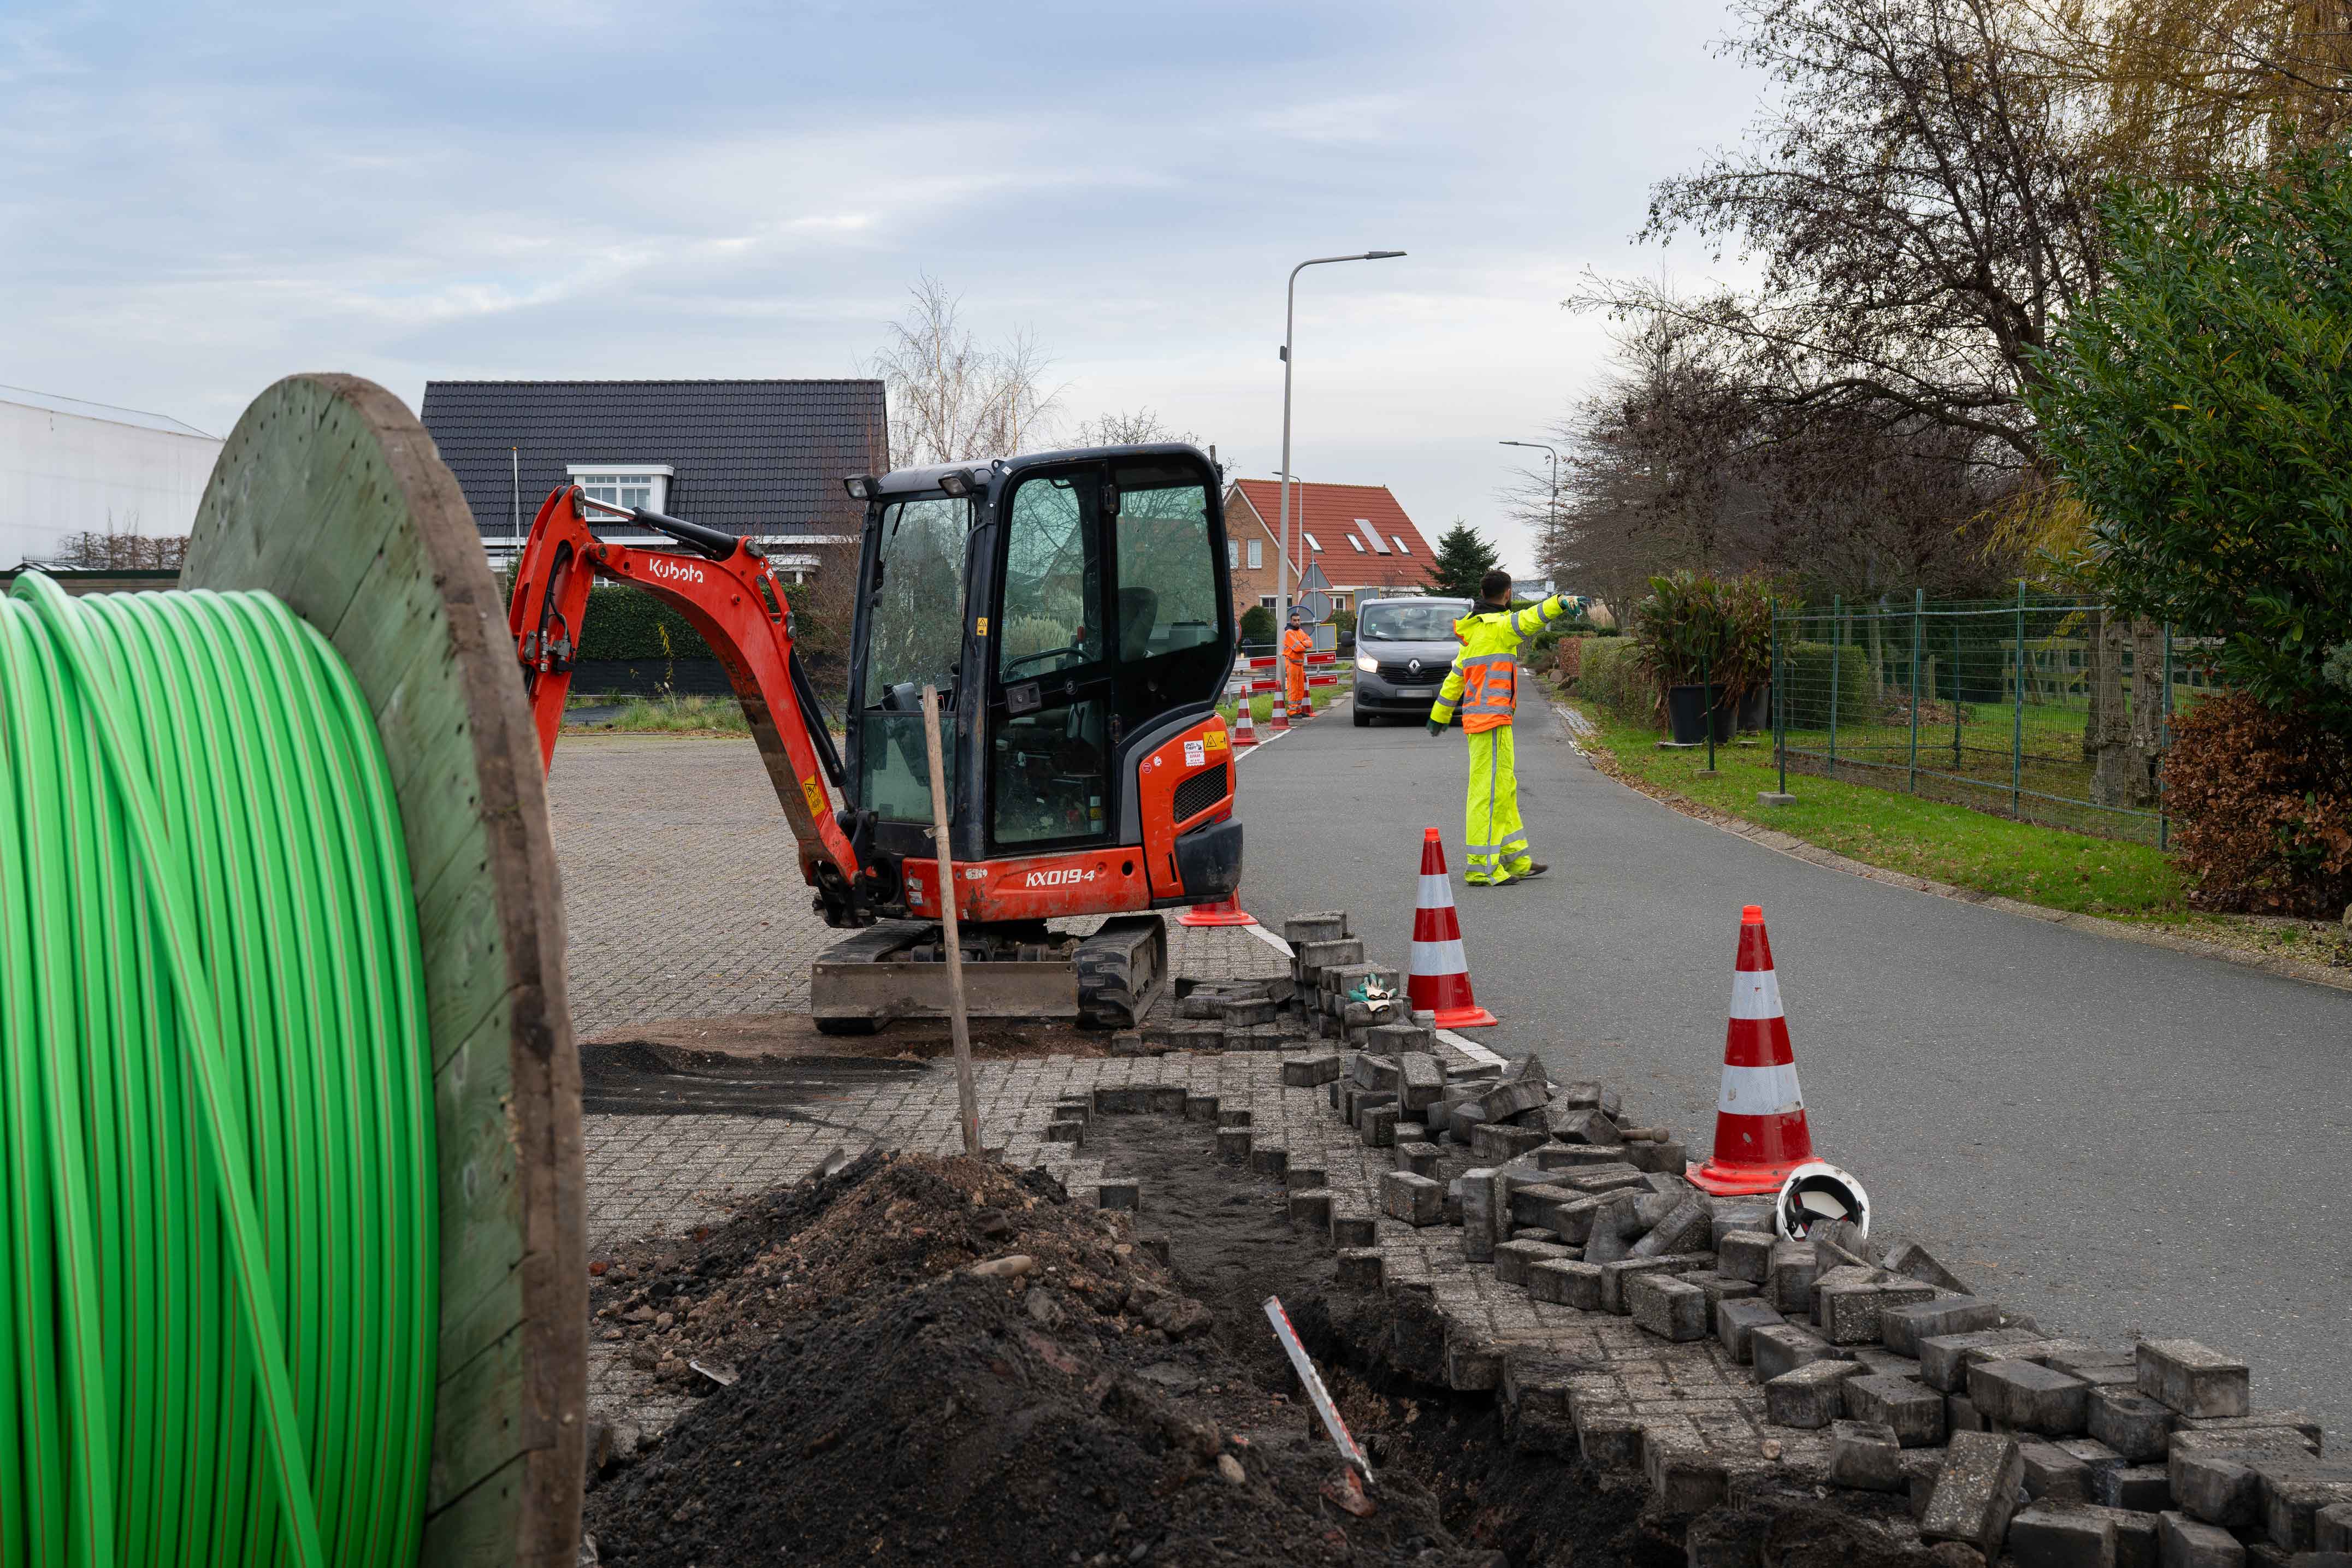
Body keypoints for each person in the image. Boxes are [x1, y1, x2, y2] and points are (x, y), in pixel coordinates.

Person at [1426, 570, 1579, 886]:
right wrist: (1561, 603)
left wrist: (1439, 715)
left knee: (1503, 789)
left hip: (1491, 723)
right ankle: (1482, 868)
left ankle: (1517, 860)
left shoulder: (1475, 632)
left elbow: (1457, 676)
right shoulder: (1498, 628)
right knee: (1489, 795)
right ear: (1507, 593)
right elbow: (1529, 620)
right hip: (1491, 721)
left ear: (1483, 594)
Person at [1281, 607, 1314, 715]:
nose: (1297, 622)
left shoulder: (1300, 632)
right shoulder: (1289, 633)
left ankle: (1298, 710)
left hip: (1299, 663)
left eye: (1298, 620)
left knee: (1300, 688)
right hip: (1292, 663)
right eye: (1295, 620)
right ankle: (1292, 711)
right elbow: (1298, 648)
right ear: (1291, 621)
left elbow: (1310, 642)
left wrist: (1302, 644)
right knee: (1293, 688)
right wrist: (1303, 644)